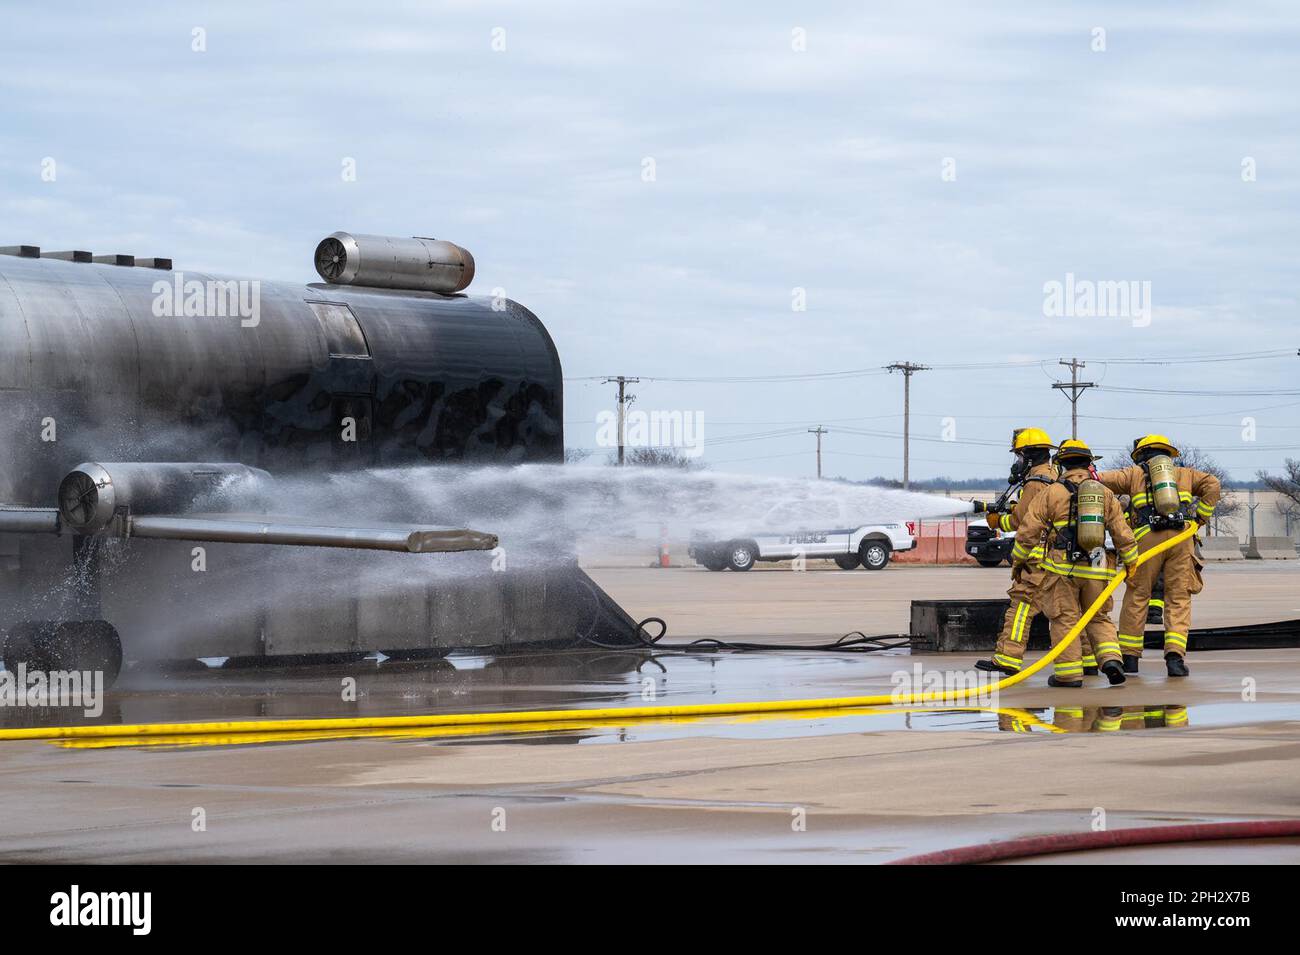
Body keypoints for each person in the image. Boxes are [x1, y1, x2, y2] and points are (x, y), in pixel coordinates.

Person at [1009, 439, 1139, 687]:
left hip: (1062, 571)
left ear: (1061, 465)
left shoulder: (1052, 493)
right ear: (1089, 463)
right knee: (1099, 617)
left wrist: (1018, 561)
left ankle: (1068, 675)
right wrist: (1131, 563)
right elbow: (1123, 533)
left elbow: (1028, 531)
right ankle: (1111, 660)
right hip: (1098, 569)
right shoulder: (1105, 493)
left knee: (1064, 619)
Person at [1096, 435, 1220, 677]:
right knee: (1178, 598)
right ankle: (1174, 658)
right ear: (1168, 454)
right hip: (1181, 538)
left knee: (1138, 594)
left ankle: (1130, 658)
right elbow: (1213, 484)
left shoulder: (1132, 474)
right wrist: (1200, 518)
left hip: (1146, 538)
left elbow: (1099, 481)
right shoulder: (1185, 474)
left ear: (1141, 455)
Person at [974, 428, 1058, 676]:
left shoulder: (1034, 483)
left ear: (1029, 456)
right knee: (1067, 611)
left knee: (1022, 606)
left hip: (1036, 557)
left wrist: (996, 522)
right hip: (1057, 557)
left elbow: (1022, 521)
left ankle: (1008, 658)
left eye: (1019, 457)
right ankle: (1086, 661)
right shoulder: (1052, 476)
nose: (1017, 463)